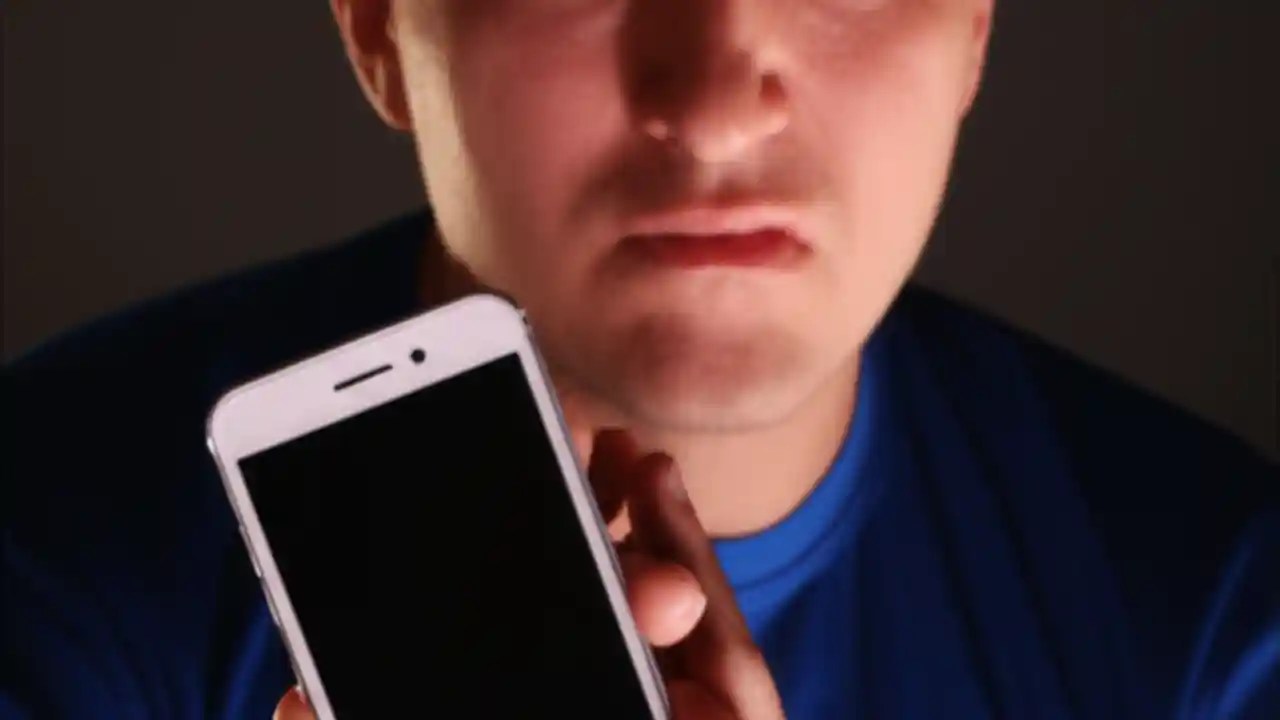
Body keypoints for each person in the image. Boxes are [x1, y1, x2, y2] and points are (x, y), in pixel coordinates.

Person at [3, 0, 1277, 717]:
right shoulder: (41, 548)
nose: (717, 106)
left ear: (978, 29)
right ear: (379, 27)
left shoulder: (1224, 629)